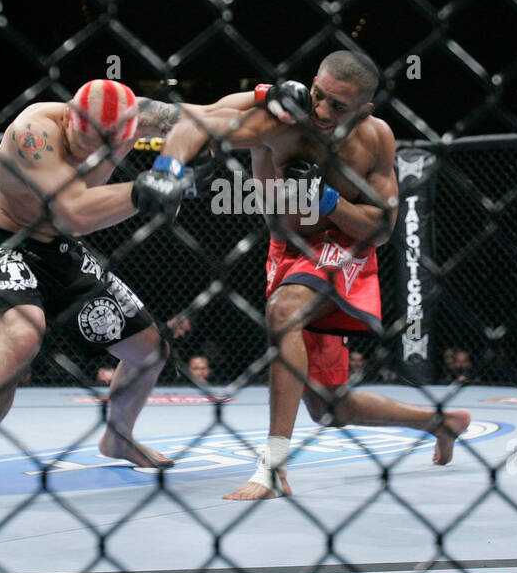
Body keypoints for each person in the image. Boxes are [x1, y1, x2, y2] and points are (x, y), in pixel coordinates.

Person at [156, 50, 472, 500]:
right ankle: (440, 422)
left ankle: (272, 469)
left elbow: (382, 228)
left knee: (282, 311)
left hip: (341, 247)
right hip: (286, 250)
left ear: (364, 109)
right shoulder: (280, 120)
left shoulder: (376, 138)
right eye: (319, 96)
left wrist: (328, 202)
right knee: (330, 408)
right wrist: (167, 169)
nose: (321, 112)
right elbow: (193, 123)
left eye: (338, 106)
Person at [0, 78, 202, 510]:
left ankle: (118, 437)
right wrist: (145, 190)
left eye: (105, 144)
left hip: (63, 252)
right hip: (10, 242)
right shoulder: (34, 132)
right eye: (83, 138)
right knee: (22, 339)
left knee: (149, 351)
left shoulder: (137, 117)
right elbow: (74, 211)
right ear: (69, 116)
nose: (89, 150)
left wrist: (267, 102)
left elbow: (204, 116)